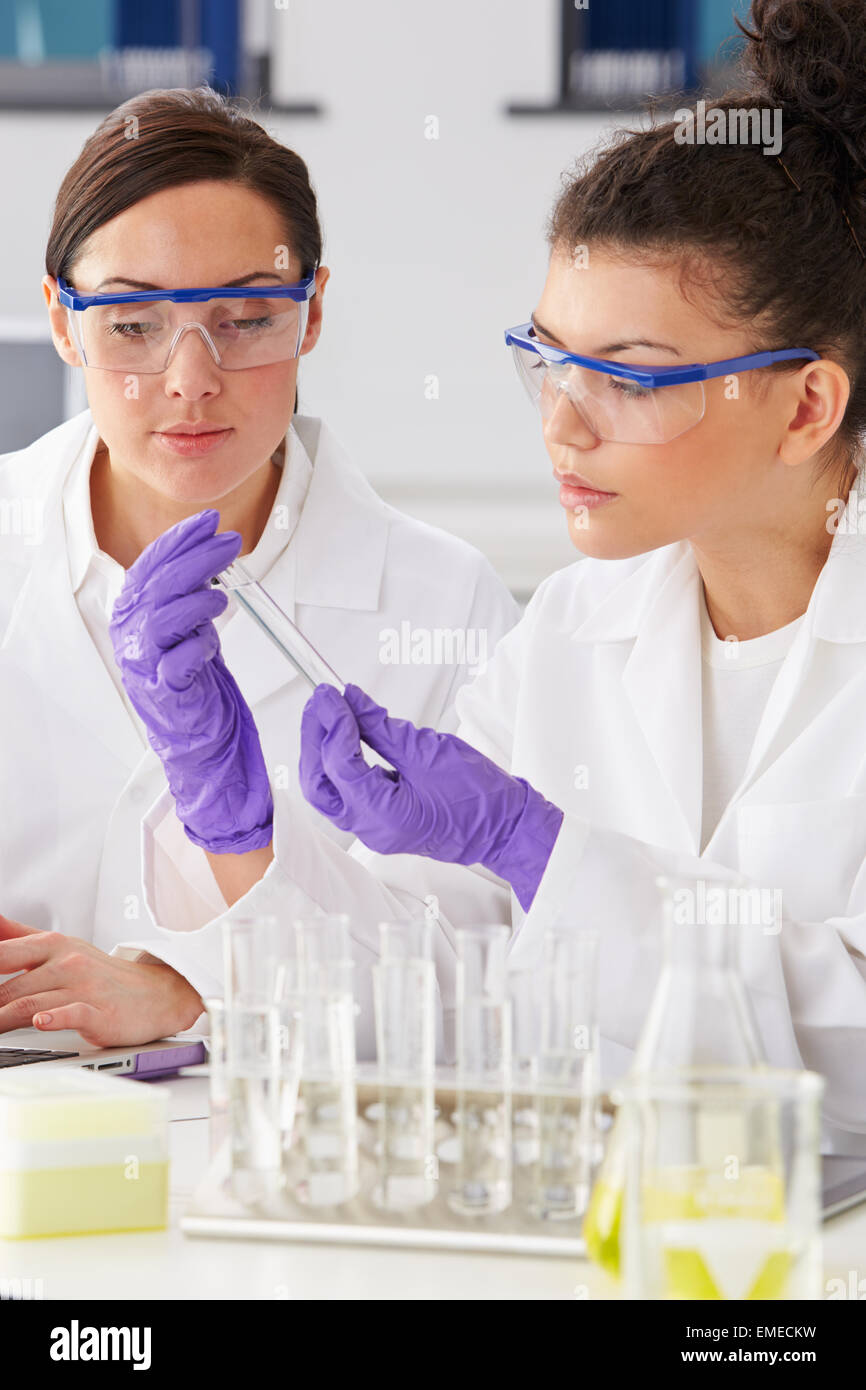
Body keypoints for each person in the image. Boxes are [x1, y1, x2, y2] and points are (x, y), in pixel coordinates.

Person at [122, 0, 866, 1147]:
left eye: (628, 376)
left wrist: (538, 848)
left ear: (805, 404)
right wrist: (231, 814)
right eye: (545, 359)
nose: (560, 427)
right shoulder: (571, 633)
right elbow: (415, 994)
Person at [0, 85, 519, 1047]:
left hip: (295, 1172)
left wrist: (203, 991)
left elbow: (486, 986)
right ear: (63, 323)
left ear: (312, 310)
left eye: (244, 318)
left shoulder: (440, 602)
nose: (190, 378)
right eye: (131, 324)